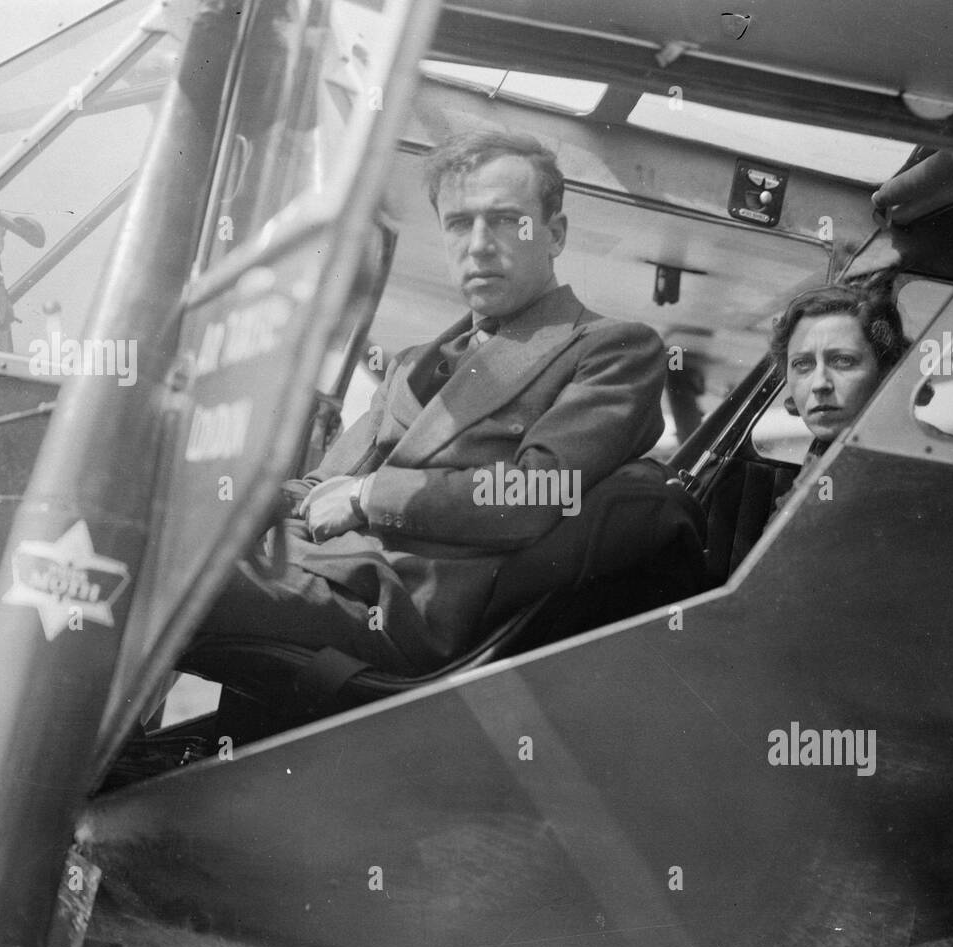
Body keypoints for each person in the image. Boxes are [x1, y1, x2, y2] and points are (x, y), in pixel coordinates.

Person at [198, 131, 668, 675]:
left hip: (405, 603)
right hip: (324, 567)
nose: (479, 244)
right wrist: (211, 504)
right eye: (459, 223)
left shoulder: (610, 348)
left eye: (504, 220)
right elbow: (321, 486)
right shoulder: (413, 363)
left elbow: (539, 490)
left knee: (125, 581)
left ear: (555, 234)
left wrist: (368, 496)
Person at [768, 280, 910, 514]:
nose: (820, 384)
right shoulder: (828, 450)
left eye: (843, 361)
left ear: (886, 370)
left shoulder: (899, 475)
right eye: (802, 364)